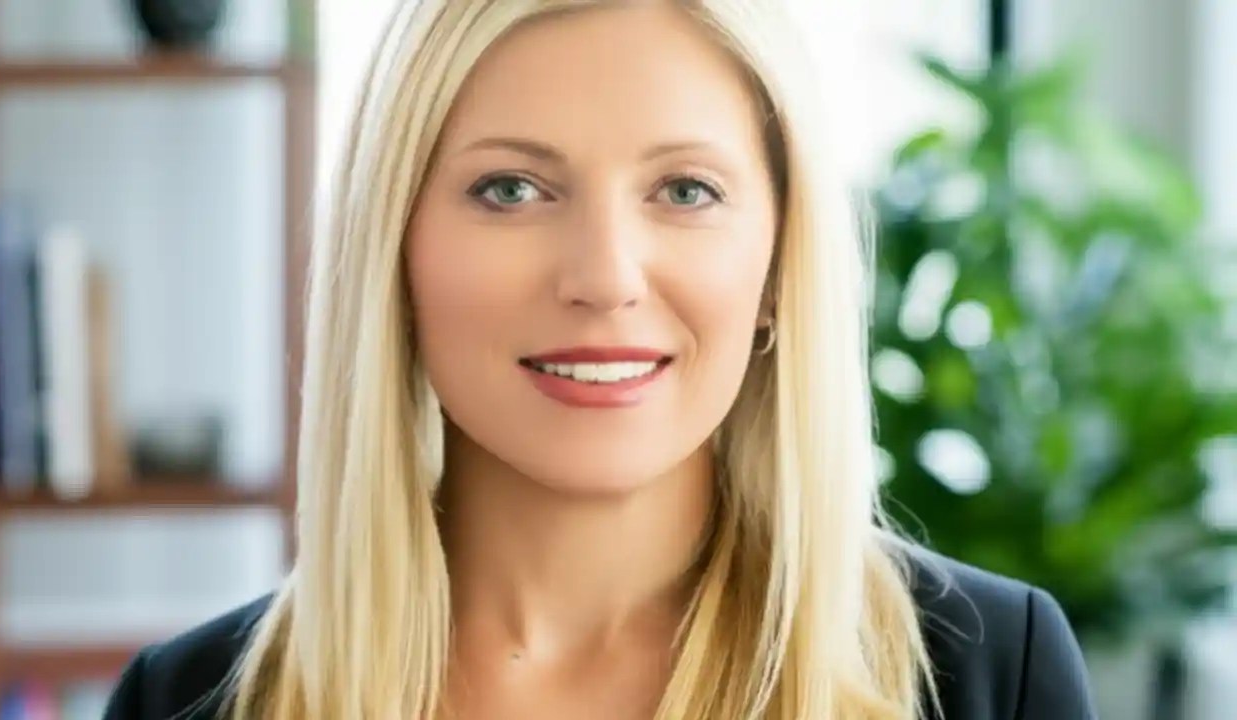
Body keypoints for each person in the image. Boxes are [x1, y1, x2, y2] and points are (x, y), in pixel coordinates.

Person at [103, 1, 1096, 718]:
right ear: (392, 253)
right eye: (508, 189)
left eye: (685, 190)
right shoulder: (185, 702)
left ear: (779, 266)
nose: (604, 277)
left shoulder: (984, 676)